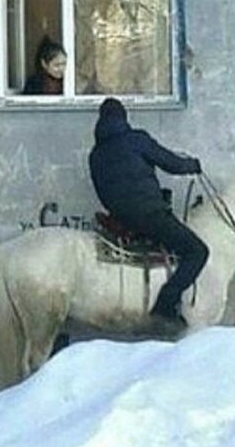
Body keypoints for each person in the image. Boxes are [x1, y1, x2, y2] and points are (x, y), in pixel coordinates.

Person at [88, 97, 208, 323]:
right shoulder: (137, 140)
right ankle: (166, 304)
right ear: (124, 118)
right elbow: (170, 163)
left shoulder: (96, 154)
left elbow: (101, 192)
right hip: (151, 215)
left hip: (121, 220)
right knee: (197, 251)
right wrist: (192, 165)